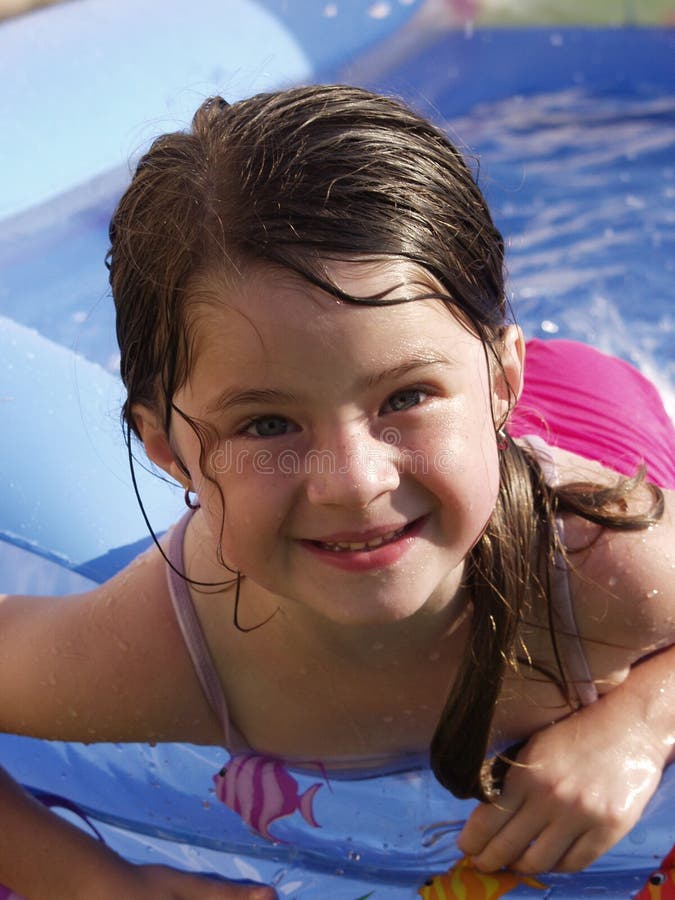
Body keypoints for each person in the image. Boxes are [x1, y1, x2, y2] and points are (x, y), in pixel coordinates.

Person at [1, 84, 674, 900]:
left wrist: (639, 721)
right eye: (265, 425)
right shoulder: (166, 657)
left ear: (502, 382)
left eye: (403, 395)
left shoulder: (606, 570)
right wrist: (96, 885)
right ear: (167, 452)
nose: (352, 484)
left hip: (591, 418)